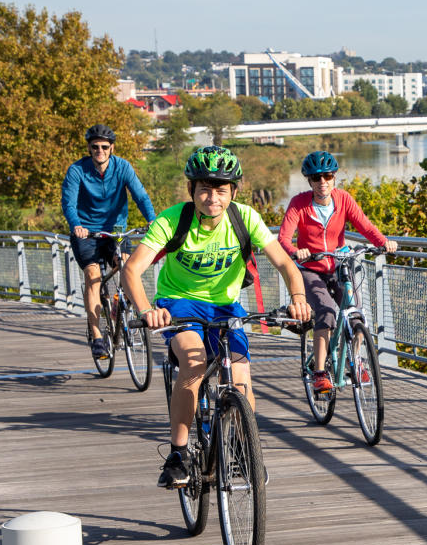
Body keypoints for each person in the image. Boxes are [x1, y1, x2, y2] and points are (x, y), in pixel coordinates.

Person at [121, 146, 311, 489]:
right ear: (191, 190)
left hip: (226, 307)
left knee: (240, 379)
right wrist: (147, 310)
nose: (213, 198)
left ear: (233, 192)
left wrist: (298, 299)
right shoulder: (172, 219)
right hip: (179, 304)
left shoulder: (246, 218)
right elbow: (132, 269)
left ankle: (241, 446)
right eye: (205, 189)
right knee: (194, 364)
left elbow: (285, 264)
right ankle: (178, 454)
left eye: (221, 190)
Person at [276, 151, 398, 393]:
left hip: (338, 264)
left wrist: (384, 242)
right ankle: (320, 373)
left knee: (355, 315)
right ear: (309, 181)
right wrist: (295, 251)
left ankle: (356, 362)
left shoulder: (343, 199)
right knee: (326, 312)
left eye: (328, 177)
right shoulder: (299, 204)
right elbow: (283, 238)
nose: (323, 183)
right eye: (317, 178)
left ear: (334, 178)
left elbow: (364, 225)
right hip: (310, 269)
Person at [61, 124, 157, 359]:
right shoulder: (77, 170)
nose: (100, 151)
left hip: (115, 232)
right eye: (95, 147)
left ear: (111, 148)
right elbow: (69, 204)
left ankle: (117, 303)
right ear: (89, 148)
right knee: (93, 277)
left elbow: (140, 196)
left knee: (126, 266)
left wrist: (154, 221)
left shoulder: (122, 167)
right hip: (87, 234)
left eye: (104, 147)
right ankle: (97, 338)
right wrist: (76, 226)